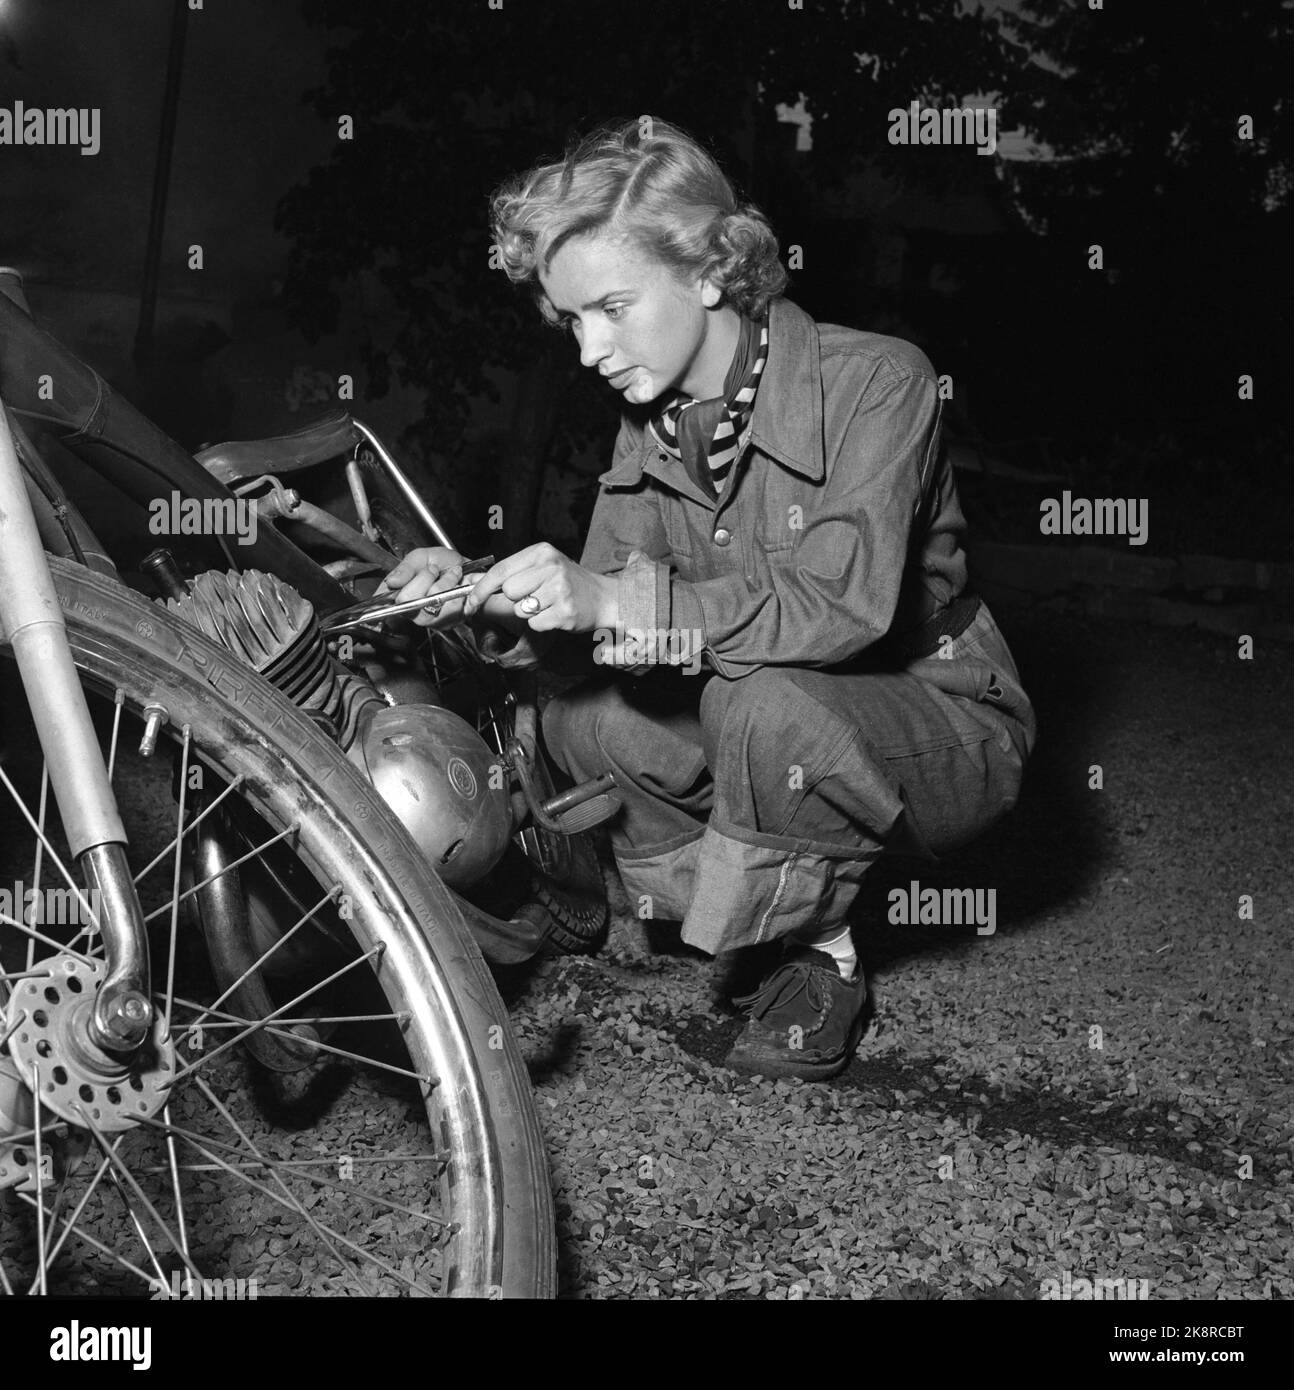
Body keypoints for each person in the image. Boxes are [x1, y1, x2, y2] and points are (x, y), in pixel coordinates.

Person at [381, 117, 1036, 1081]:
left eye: (611, 307)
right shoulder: (649, 427)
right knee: (588, 719)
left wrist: (614, 601)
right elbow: (603, 633)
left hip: (940, 712)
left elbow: (843, 607)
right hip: (780, 706)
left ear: (708, 271)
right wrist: (491, 600)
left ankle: (822, 950)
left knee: (761, 703)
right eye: (571, 321)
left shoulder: (880, 380)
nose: (588, 351)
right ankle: (722, 912)